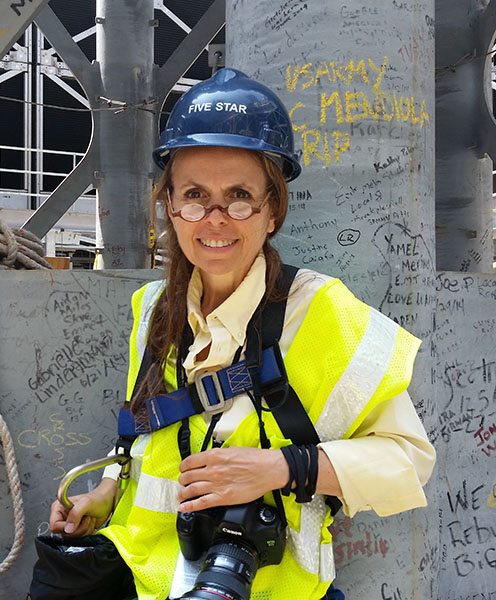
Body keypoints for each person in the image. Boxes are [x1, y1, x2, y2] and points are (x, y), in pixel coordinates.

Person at [46, 68, 435, 600]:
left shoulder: (321, 312)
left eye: (240, 197)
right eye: (194, 195)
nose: (215, 218)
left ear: (271, 211)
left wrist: (279, 468)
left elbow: (409, 460)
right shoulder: (154, 308)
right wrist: (108, 491)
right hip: (144, 579)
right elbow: (150, 433)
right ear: (171, 207)